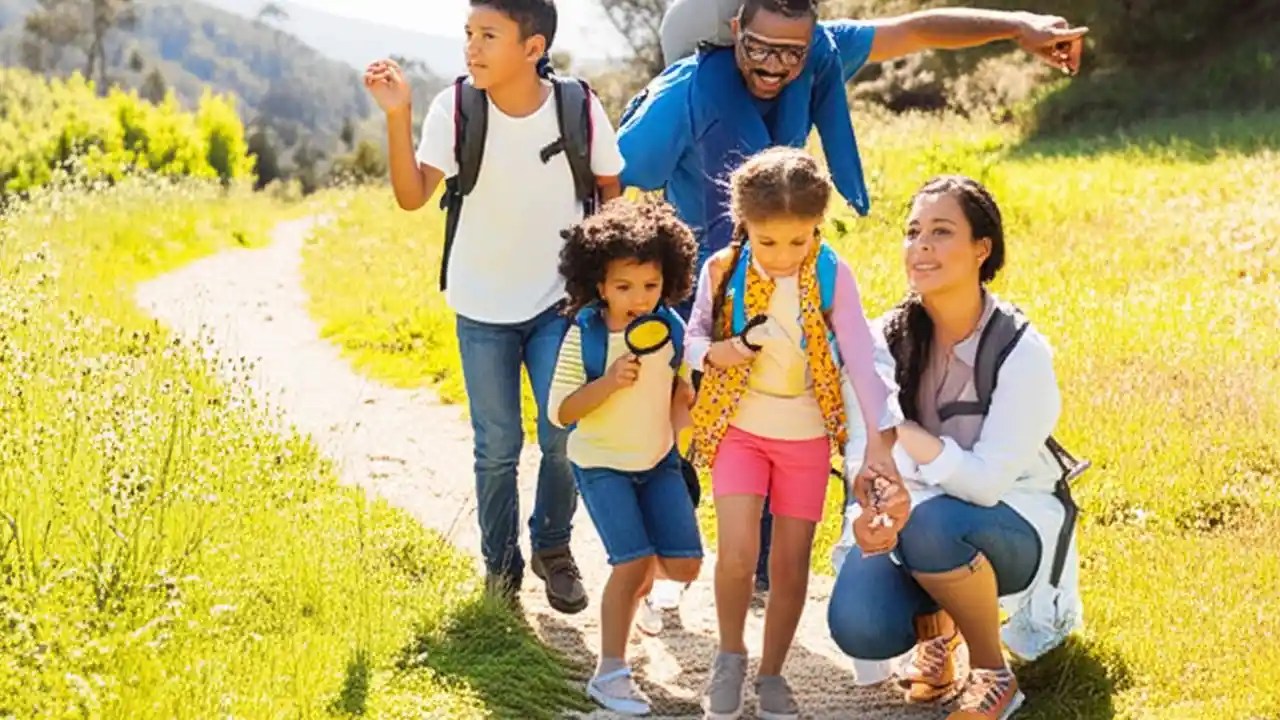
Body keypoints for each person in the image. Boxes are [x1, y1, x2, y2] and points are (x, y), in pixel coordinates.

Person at [624, 0, 1087, 598]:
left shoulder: (821, 53)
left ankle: (760, 574)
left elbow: (916, 29)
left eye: (790, 53)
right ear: (733, 32)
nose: (775, 66)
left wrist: (1017, 26)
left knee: (783, 407)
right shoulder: (683, 93)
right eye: (759, 48)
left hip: (784, 278)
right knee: (680, 423)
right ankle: (662, 555)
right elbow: (614, 171)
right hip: (704, 282)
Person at [362, 0, 625, 614]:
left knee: (562, 432)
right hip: (481, 307)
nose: (471, 48)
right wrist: (397, 115)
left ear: (533, 48)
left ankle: (553, 548)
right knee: (498, 444)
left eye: (488, 35)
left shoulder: (577, 106)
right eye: (468, 33)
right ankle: (500, 570)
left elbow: (610, 186)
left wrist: (608, 280)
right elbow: (411, 195)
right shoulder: (456, 108)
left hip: (558, 303)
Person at [827, 175, 1084, 720]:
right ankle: (940, 631)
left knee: (934, 525)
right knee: (860, 622)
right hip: (918, 514)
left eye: (941, 232)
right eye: (913, 232)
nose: (921, 245)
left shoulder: (1020, 350)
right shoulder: (880, 341)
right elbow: (862, 453)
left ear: (981, 249)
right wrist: (874, 505)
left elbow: (986, 484)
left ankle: (994, 675)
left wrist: (904, 432)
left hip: (1012, 520)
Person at [685, 147, 902, 720]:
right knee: (737, 553)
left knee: (790, 562)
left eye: (797, 241)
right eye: (768, 242)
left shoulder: (832, 273)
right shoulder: (722, 270)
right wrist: (725, 351)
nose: (783, 257)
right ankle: (729, 656)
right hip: (740, 427)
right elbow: (693, 342)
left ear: (817, 226)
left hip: (805, 435)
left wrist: (879, 439)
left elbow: (860, 357)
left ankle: (773, 672)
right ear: (743, 224)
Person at [547, 198, 704, 716]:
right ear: (599, 284)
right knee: (631, 562)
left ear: (668, 281)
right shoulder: (586, 334)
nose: (639, 298)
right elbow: (561, 412)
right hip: (601, 465)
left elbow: (677, 398)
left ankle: (635, 590)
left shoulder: (670, 330)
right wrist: (609, 382)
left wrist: (687, 416)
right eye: (624, 287)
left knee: (685, 565)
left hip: (657, 463)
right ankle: (609, 674)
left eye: (651, 286)